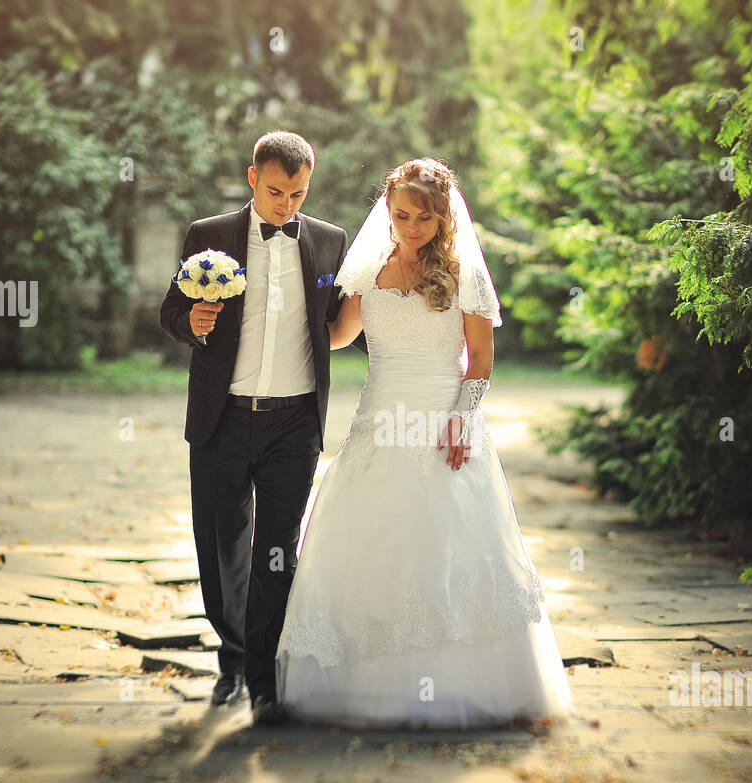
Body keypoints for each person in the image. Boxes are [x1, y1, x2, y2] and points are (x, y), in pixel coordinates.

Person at [273, 157, 575, 729]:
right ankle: (359, 687)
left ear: (444, 218)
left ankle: (465, 685)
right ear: (387, 212)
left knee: (445, 544)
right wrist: (288, 317)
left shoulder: (463, 274)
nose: (412, 228)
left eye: (425, 219)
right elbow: (339, 335)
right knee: (368, 540)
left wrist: (462, 419)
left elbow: (480, 360)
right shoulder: (370, 269)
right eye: (402, 215)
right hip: (379, 421)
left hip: (442, 422)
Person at [157, 130, 366, 725]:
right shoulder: (209, 236)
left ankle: (264, 677)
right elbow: (170, 311)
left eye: (299, 195)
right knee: (222, 549)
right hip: (222, 419)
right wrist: (192, 322)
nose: (288, 205)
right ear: (253, 178)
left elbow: (344, 322)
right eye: (277, 192)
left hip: (293, 424)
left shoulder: (330, 242)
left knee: (278, 551)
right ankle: (232, 653)